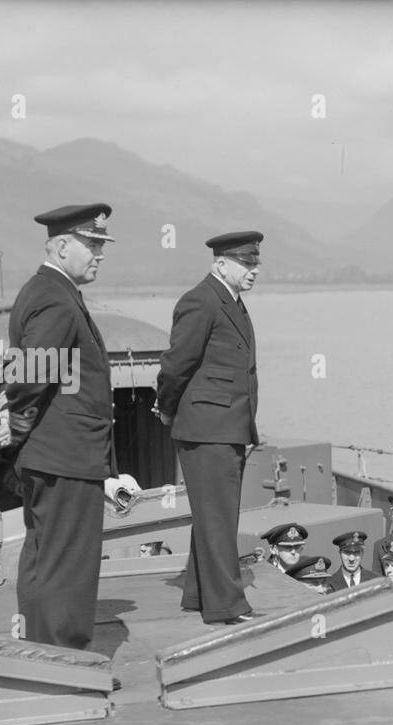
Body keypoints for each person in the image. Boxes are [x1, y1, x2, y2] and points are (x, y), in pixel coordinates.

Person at [0, 203, 118, 650]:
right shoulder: (54, 296)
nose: (99, 253)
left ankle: (42, 652)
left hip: (54, 451)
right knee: (68, 562)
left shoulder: (47, 290)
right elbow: (31, 374)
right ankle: (67, 663)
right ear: (62, 245)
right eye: (92, 244)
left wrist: (21, 433)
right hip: (66, 454)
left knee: (44, 557)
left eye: (102, 244)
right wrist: (20, 425)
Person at [156, 230, 263, 625]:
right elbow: (175, 365)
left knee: (213, 515)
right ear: (221, 264)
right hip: (207, 429)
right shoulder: (201, 301)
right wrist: (167, 411)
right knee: (218, 517)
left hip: (225, 426)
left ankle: (200, 594)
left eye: (255, 263)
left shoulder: (229, 301)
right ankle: (227, 607)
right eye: (246, 263)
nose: (254, 270)